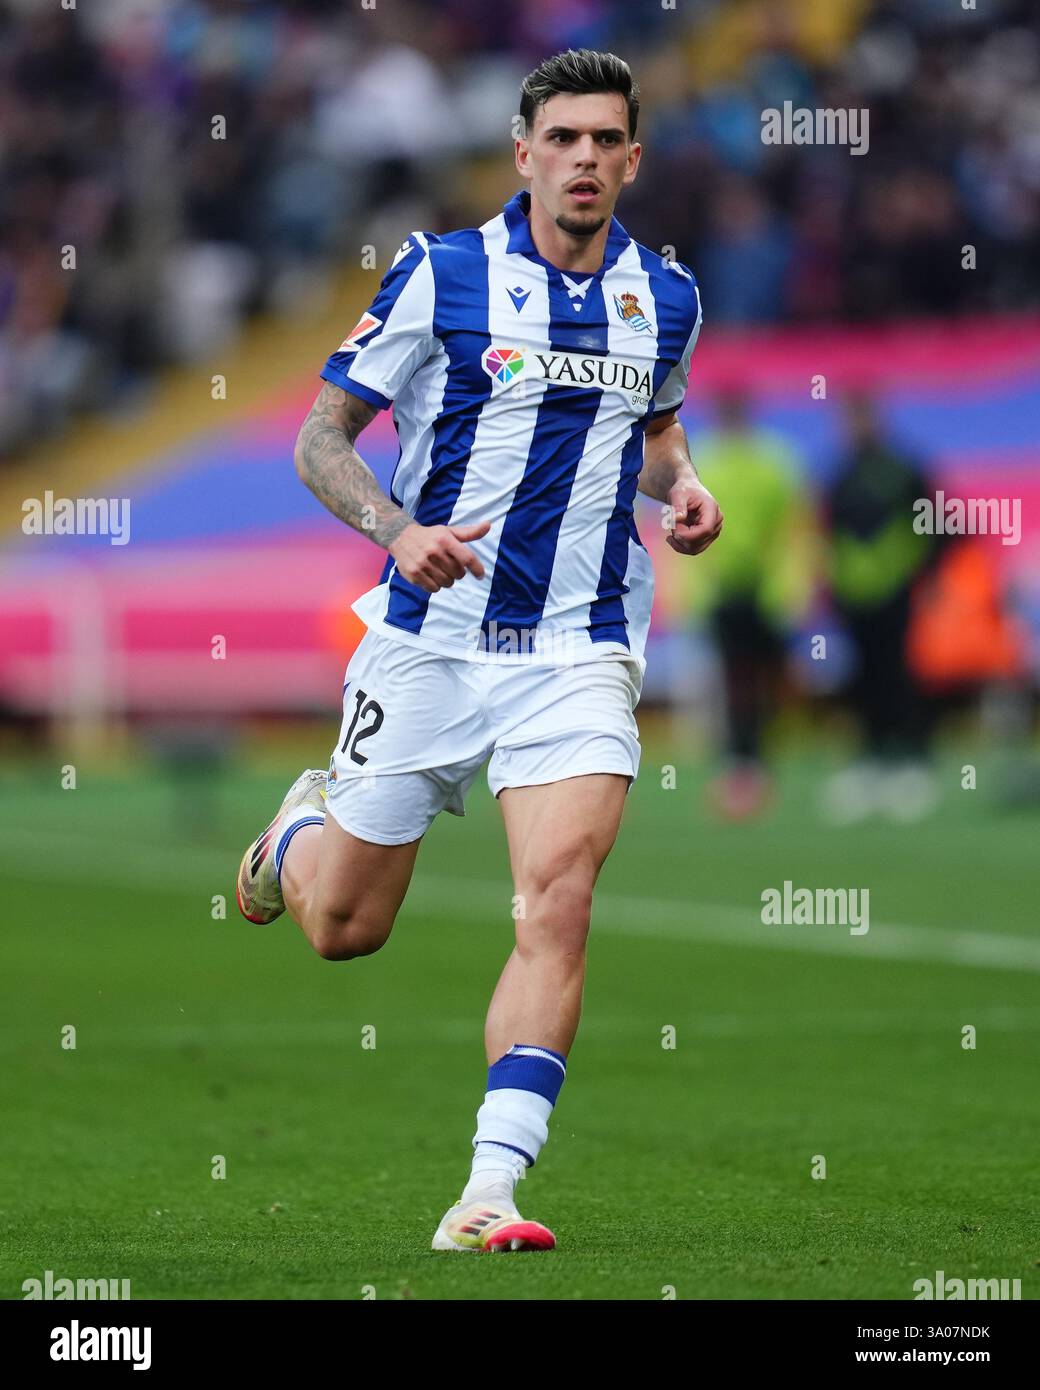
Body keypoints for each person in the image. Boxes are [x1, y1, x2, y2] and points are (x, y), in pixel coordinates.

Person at [235, 49, 722, 1253]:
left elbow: (651, 438)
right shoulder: (440, 274)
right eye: (562, 139)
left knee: (555, 902)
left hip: (579, 643)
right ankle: (298, 830)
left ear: (632, 158)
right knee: (345, 927)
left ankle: (487, 1190)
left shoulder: (663, 296)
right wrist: (396, 531)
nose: (585, 161)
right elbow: (321, 438)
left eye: (606, 141)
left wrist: (686, 489)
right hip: (431, 640)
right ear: (521, 151)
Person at [679, 388, 811, 819]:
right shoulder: (713, 461)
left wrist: (790, 587)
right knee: (735, 683)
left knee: (761, 682)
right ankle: (740, 768)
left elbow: (793, 528)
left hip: (762, 592)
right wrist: (695, 589)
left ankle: (754, 766)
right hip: (724, 592)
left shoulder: (768, 462)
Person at [822, 391, 937, 823]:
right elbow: (827, 532)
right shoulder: (840, 473)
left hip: (897, 590)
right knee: (863, 678)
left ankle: (910, 761)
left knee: (900, 674)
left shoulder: (901, 469)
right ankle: (871, 762)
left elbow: (931, 523)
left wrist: (920, 575)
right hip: (855, 597)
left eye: (861, 416)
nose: (855, 426)